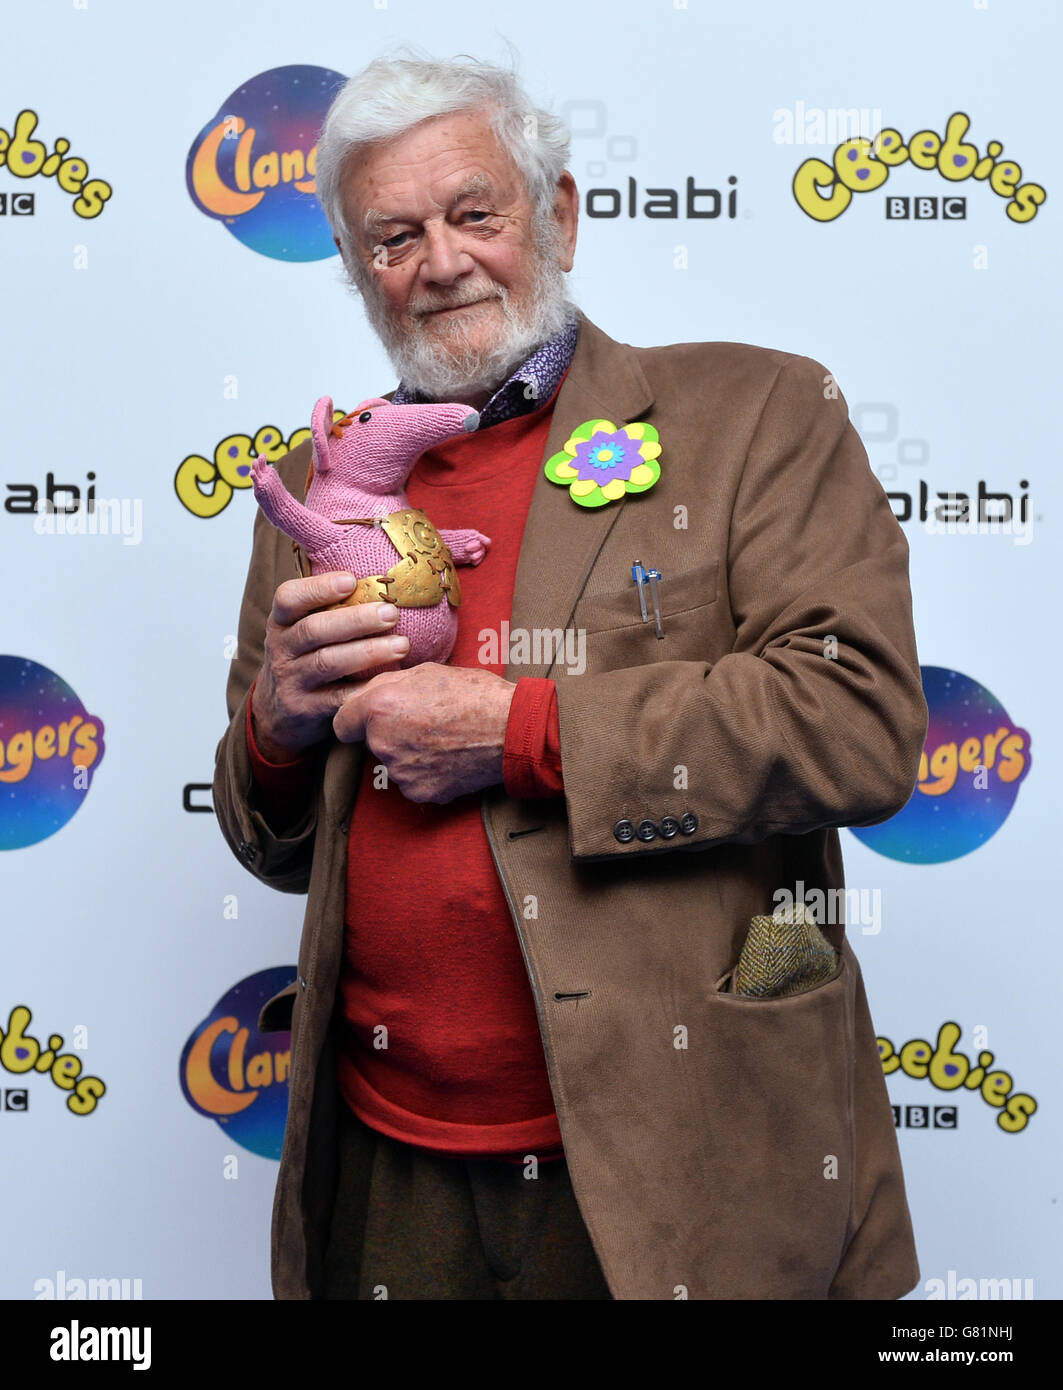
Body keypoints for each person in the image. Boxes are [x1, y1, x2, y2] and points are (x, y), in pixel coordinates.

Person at [213, 54, 928, 1301]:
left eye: (473, 213)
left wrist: (524, 728)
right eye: (391, 236)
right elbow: (275, 841)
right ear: (355, 269)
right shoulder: (315, 490)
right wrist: (276, 727)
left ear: (559, 214)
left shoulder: (751, 412)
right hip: (387, 1164)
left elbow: (858, 722)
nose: (437, 262)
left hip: (673, 1153)